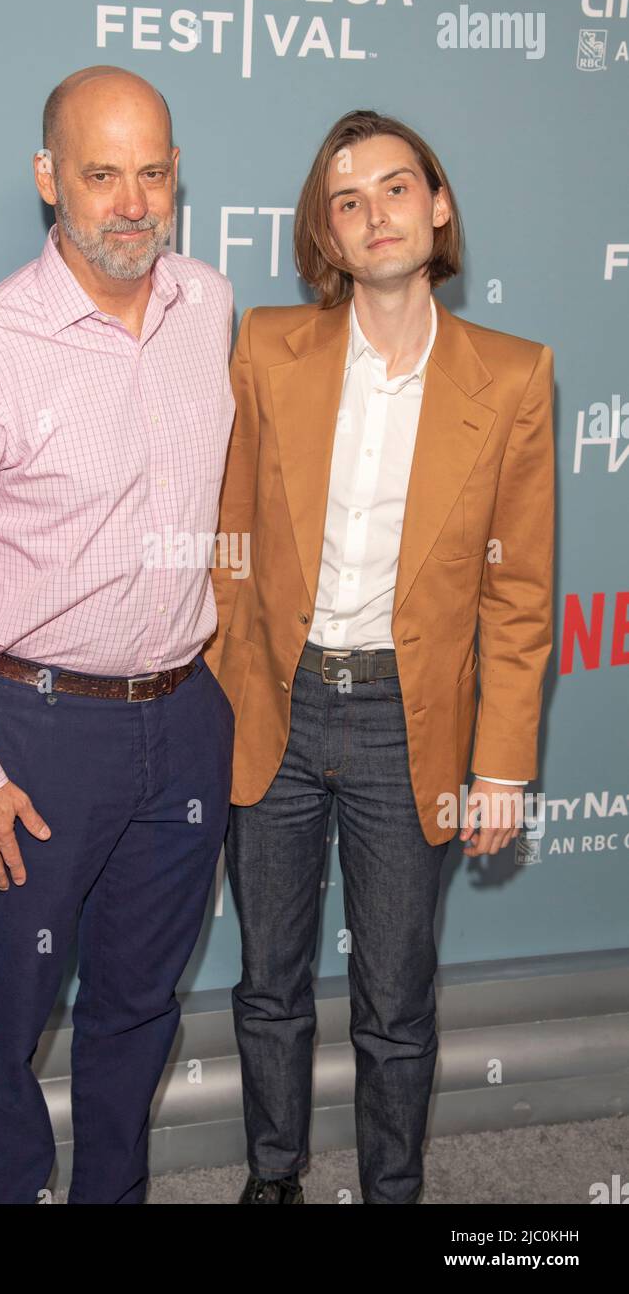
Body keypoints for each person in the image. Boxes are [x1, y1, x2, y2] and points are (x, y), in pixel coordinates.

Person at [0, 64, 236, 1204]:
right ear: (49, 179)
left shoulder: (211, 307)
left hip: (184, 719)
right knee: (6, 1016)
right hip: (35, 734)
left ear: (175, 176)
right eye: (101, 174)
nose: (131, 202)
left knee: (138, 1008)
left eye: (151, 172)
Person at [203, 109, 555, 1205]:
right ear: (328, 235)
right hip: (279, 703)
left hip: (413, 719)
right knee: (266, 982)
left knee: (394, 998)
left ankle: (392, 1191)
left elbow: (517, 591)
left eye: (394, 189)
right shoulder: (265, 347)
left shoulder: (511, 376)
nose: (374, 215)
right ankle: (273, 1179)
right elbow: (226, 542)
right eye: (345, 202)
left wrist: (499, 762)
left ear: (436, 205)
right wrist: (215, 692)